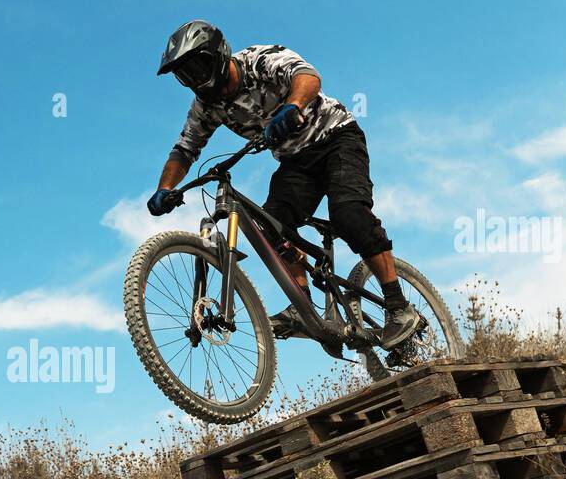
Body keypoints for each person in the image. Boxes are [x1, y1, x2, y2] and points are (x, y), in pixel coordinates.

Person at [147, 20, 420, 349]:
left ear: (218, 54)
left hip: (336, 139)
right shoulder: (206, 106)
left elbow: (307, 77)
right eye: (185, 75)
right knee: (271, 224)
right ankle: (302, 306)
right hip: (296, 162)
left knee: (349, 215)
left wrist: (293, 106)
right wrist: (165, 189)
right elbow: (185, 149)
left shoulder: (259, 61)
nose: (195, 80)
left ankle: (399, 307)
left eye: (198, 67)